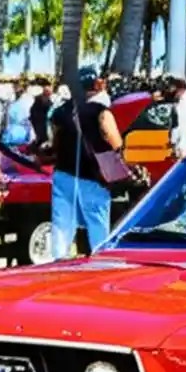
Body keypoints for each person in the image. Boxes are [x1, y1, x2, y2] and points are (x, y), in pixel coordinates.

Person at [50, 67, 124, 259]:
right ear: (96, 85)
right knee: (97, 225)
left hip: (63, 175)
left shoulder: (60, 112)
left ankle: (57, 265)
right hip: (93, 178)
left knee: (62, 225)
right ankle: (99, 264)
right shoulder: (101, 111)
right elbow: (115, 141)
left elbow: (54, 143)